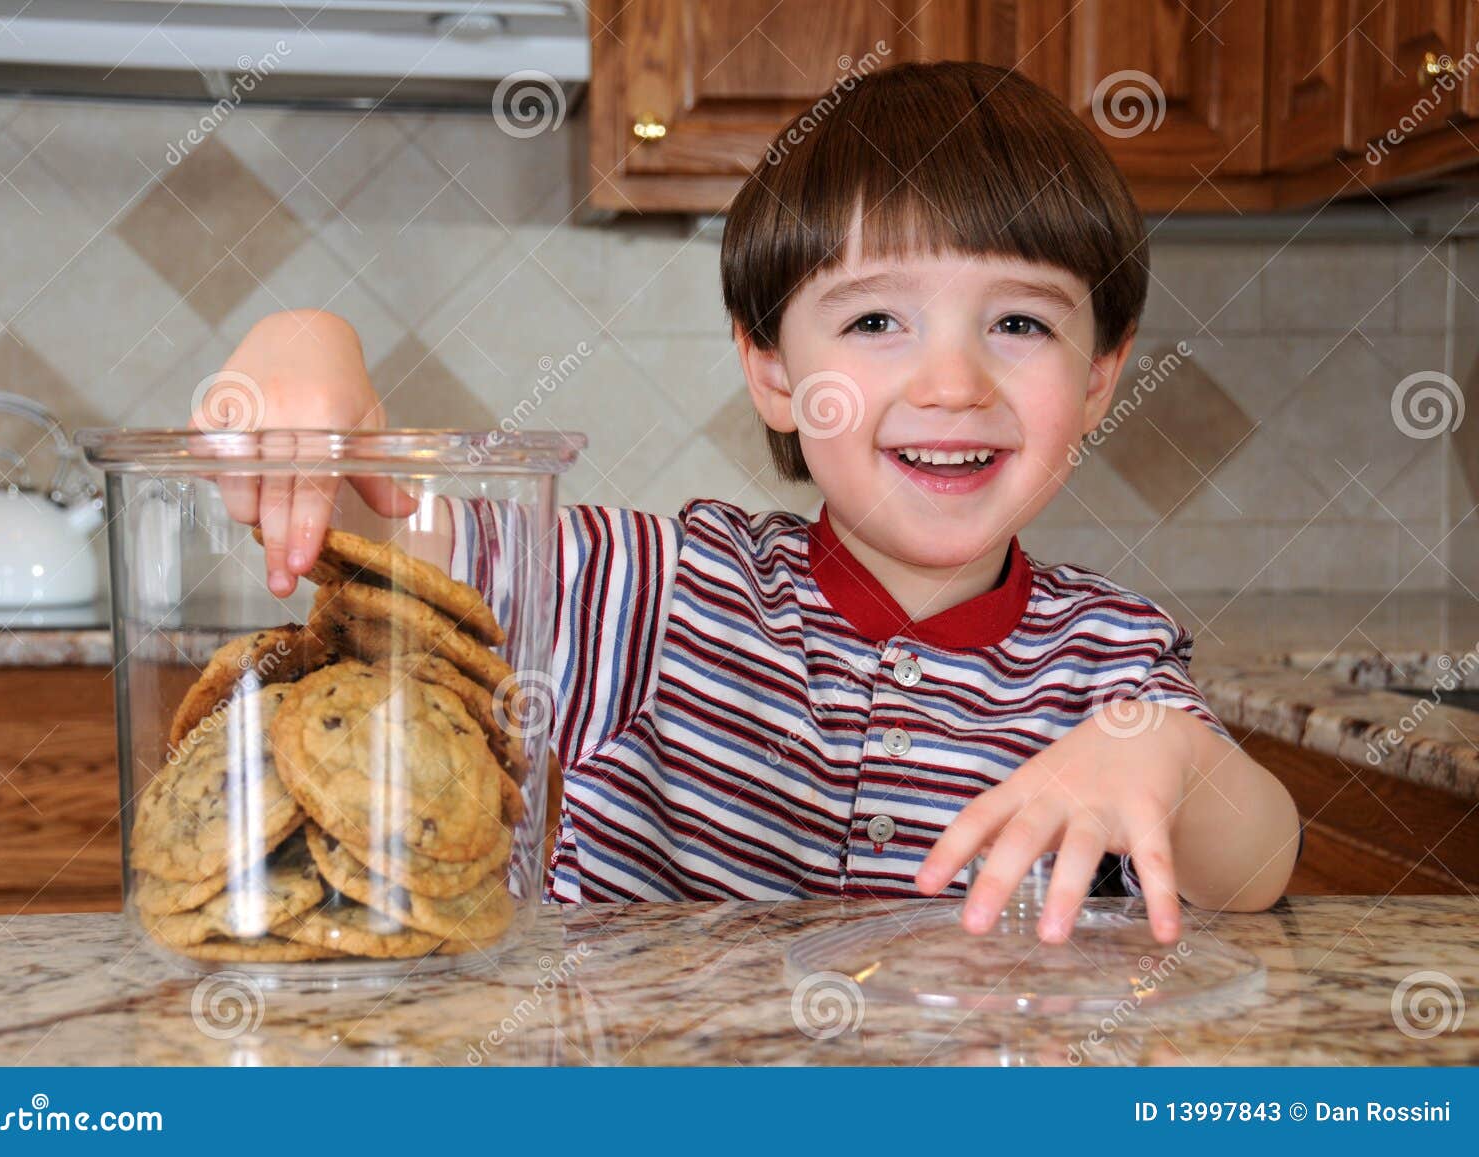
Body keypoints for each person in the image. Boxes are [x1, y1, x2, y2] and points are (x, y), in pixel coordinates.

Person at [199, 60, 1302, 946]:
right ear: (773, 369)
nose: (954, 384)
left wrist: (1164, 750)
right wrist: (310, 347)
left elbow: (1256, 865)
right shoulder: (657, 592)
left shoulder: (1108, 657)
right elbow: (382, 527)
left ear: (1101, 375)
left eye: (1020, 324)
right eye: (875, 323)